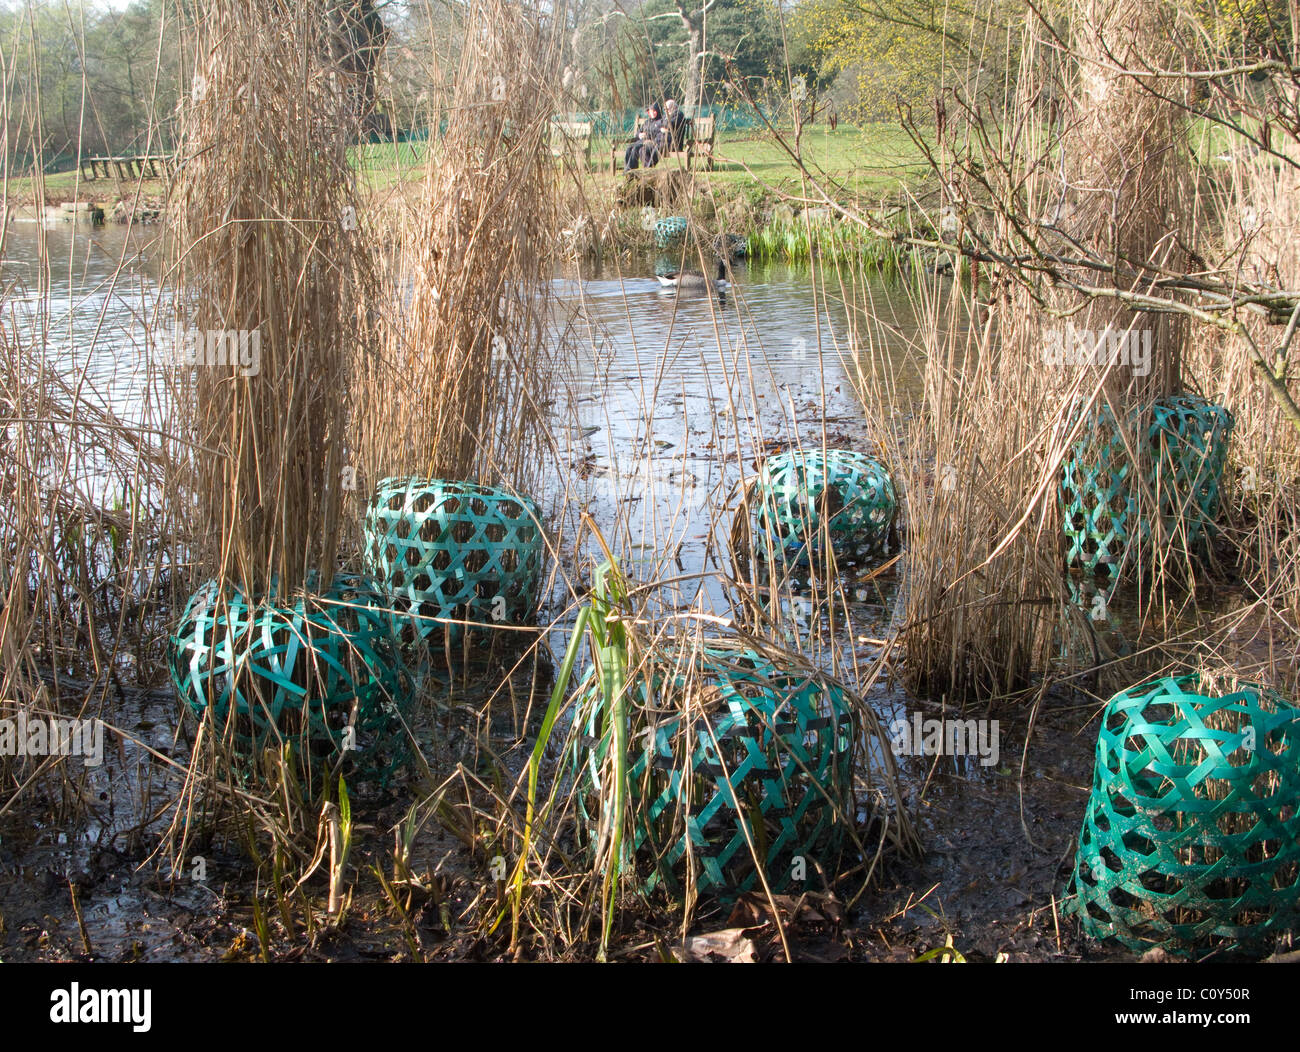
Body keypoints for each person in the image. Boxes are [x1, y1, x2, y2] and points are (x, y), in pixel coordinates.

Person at [623, 103, 666, 171]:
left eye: (651, 111)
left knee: (636, 148)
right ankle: (628, 170)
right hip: (642, 141)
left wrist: (648, 135)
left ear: (656, 112)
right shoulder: (647, 122)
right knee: (629, 148)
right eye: (648, 112)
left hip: (652, 143)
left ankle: (631, 170)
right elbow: (638, 133)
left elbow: (659, 133)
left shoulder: (662, 121)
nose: (649, 113)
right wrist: (640, 135)